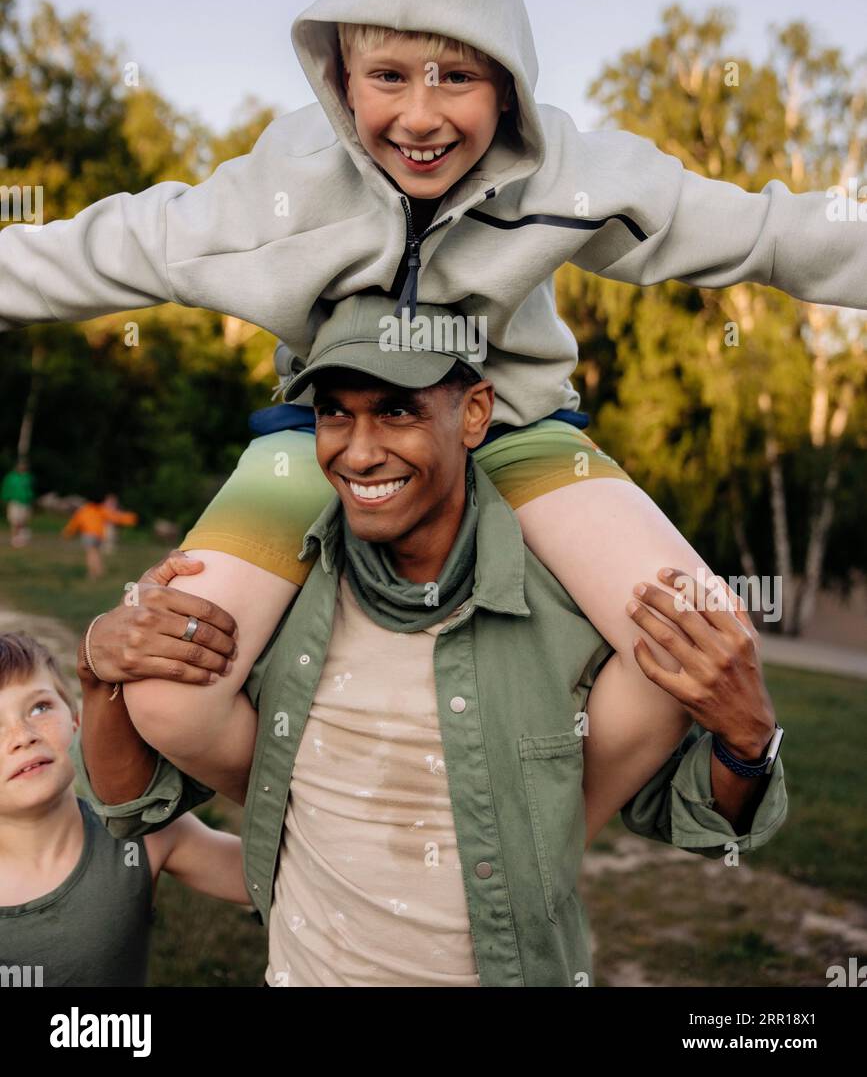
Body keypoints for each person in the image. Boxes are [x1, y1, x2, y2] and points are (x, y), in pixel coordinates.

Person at [1, 0, 858, 807]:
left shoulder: (568, 174)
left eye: (456, 78)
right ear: (340, 79)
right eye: (388, 77)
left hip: (520, 427)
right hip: (324, 430)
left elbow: (769, 231)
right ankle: (321, 832)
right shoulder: (284, 189)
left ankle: (541, 837)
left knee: (699, 632)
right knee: (171, 690)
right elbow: (111, 246)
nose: (419, 115)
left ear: (507, 88)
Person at [73, 295, 787, 988]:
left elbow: (702, 818)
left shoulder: (575, 615)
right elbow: (133, 803)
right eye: (333, 414)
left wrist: (747, 741)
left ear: (475, 413)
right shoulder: (274, 613)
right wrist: (95, 665)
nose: (359, 452)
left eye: (396, 411)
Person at [0, 630, 250, 987]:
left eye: (39, 708)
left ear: (76, 720)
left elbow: (268, 876)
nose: (23, 736)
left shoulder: (142, 837)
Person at [61, 497, 138, 579]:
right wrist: (131, 518)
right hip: (99, 535)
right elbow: (114, 517)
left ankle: (92, 573)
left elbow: (75, 523)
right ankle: (100, 571)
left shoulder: (83, 511)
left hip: (88, 534)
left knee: (90, 554)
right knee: (96, 553)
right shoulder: (100, 509)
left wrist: (67, 533)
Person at [1, 459, 35, 549]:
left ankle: (21, 538)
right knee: (15, 521)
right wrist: (5, 498)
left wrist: (30, 498)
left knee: (23, 520)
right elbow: (6, 488)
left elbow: (30, 490)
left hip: (25, 502)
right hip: (14, 501)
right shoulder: (11, 477)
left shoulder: (28, 477)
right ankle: (14, 538)